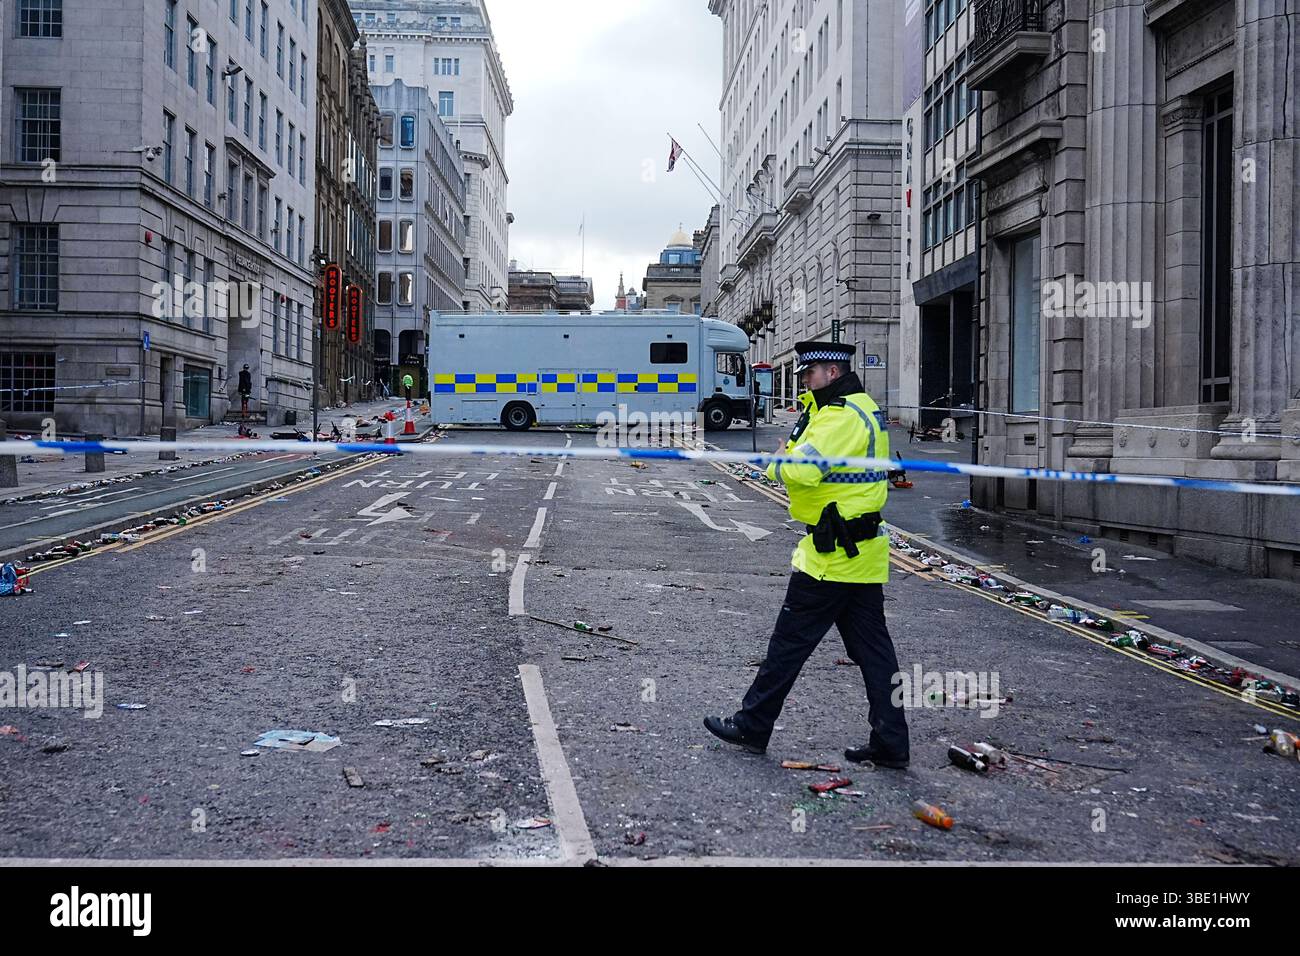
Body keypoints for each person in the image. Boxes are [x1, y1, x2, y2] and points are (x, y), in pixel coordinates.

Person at [704, 341, 909, 768]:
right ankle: (891, 741)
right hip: (862, 550)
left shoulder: (838, 416)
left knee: (788, 644)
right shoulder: (861, 406)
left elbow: (802, 472)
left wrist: (777, 462)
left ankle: (753, 724)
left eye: (809, 373)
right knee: (874, 652)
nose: (803, 380)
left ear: (832, 373)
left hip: (832, 554)